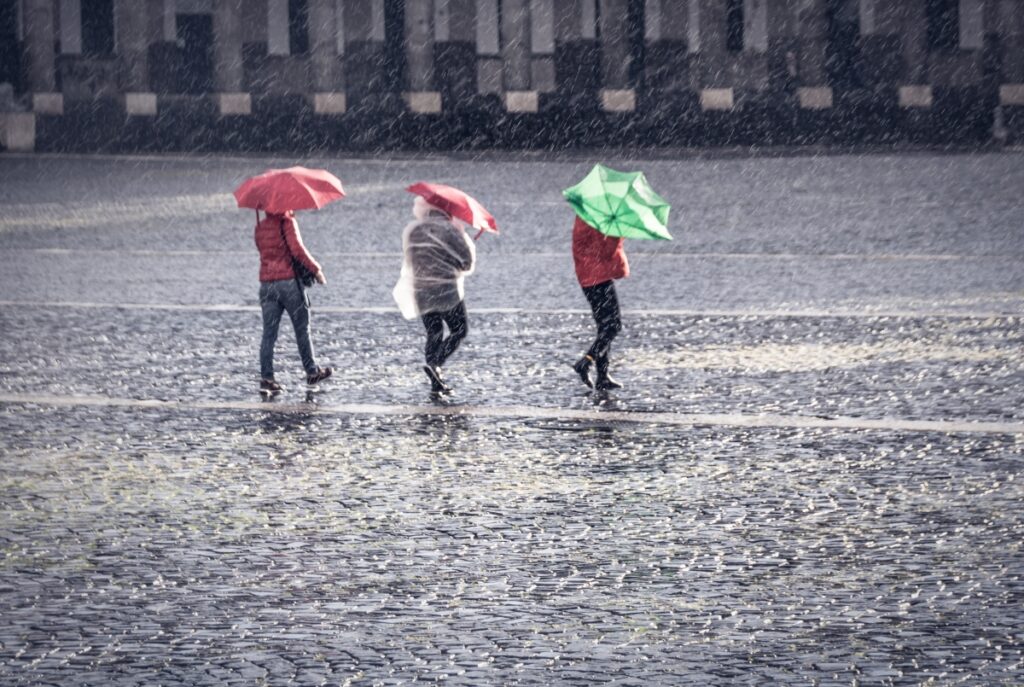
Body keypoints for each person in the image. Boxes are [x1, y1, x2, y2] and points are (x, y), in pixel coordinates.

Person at [393, 196, 476, 394]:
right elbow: (466, 261)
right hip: (447, 291)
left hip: (421, 290)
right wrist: (461, 239)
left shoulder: (413, 231)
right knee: (459, 330)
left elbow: (411, 260)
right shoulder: (450, 230)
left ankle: (434, 372)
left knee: (434, 331)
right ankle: (436, 363)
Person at [254, 210, 332, 395]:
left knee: (269, 335)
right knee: (302, 329)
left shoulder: (259, 226)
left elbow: (264, 251)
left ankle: (267, 378)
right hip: (289, 284)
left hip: (267, 285)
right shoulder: (287, 222)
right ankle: (311, 370)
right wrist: (316, 270)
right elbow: (297, 250)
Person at [571, 214, 626, 391]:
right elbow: (607, 251)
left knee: (604, 327)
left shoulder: (585, 217)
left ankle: (602, 376)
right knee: (613, 326)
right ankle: (586, 361)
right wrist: (618, 232)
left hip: (588, 276)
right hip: (598, 278)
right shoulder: (597, 222)